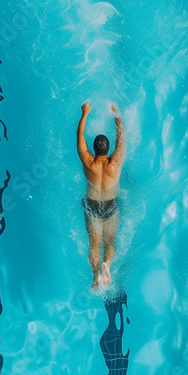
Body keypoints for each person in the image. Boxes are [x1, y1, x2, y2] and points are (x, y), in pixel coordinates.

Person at [76, 100, 125, 289]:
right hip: (111, 204)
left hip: (92, 204)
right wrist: (117, 115)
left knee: (94, 243)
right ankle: (108, 267)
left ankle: (96, 275)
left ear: (94, 149)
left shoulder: (89, 162)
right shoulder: (115, 163)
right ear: (108, 149)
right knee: (109, 241)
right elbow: (122, 139)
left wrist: (85, 113)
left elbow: (79, 136)